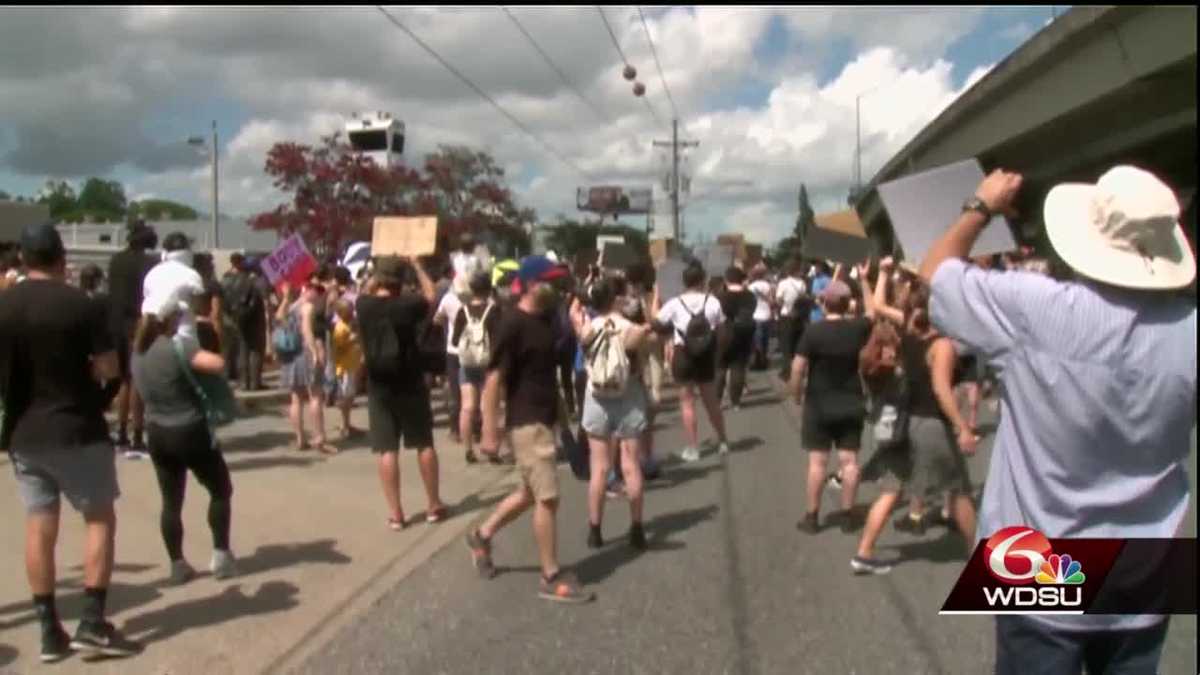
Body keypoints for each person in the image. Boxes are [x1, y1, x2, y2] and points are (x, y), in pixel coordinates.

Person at [921, 166, 1196, 675]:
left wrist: (980, 206)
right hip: (1146, 564)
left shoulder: (1035, 308)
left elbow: (935, 273)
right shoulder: (1190, 329)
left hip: (1039, 560)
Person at [0, 223, 143, 662]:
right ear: (62, 259)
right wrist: (96, 396)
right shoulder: (82, 305)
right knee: (98, 519)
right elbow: (109, 369)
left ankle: (47, 629)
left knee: (39, 525)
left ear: (23, 260)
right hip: (77, 427)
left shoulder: (5, 307)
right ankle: (92, 621)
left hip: (25, 431)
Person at [467, 255, 594, 604]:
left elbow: (547, 374)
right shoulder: (512, 324)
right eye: (549, 281)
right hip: (526, 422)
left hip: (544, 417)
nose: (555, 288)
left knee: (529, 493)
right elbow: (493, 380)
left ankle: (482, 534)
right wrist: (489, 431)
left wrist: (563, 421)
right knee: (548, 498)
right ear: (531, 284)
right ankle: (550, 575)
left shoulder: (544, 321)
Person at [850, 283, 977, 575]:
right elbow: (941, 388)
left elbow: (878, 305)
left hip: (902, 424)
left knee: (892, 490)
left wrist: (879, 275)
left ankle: (864, 552)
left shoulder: (907, 329)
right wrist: (962, 427)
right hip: (930, 424)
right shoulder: (941, 345)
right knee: (957, 490)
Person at [131, 281, 237, 585]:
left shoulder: (137, 351)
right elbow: (216, 364)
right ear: (168, 319)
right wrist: (220, 340)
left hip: (157, 431)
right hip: (189, 428)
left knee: (171, 500)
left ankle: (177, 564)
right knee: (220, 489)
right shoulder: (178, 346)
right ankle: (221, 555)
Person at [357, 256, 446, 530]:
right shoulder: (408, 304)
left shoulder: (365, 305)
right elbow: (432, 295)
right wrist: (417, 266)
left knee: (387, 449)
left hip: (379, 384)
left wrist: (374, 275)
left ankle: (396, 513)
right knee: (424, 444)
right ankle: (433, 504)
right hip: (410, 381)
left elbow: (363, 290)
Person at [570, 276, 653, 550]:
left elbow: (575, 313)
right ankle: (637, 527)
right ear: (615, 299)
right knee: (631, 465)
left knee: (599, 468)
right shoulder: (630, 329)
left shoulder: (586, 328)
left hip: (597, 399)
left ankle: (595, 530)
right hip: (628, 396)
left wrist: (581, 296)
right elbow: (642, 357)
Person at [790, 275, 873, 534]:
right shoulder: (857, 328)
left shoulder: (813, 332)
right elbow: (873, 310)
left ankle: (812, 516)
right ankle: (848, 514)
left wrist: (795, 394)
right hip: (850, 401)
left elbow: (798, 368)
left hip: (818, 403)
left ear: (824, 303)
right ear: (848, 304)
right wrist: (867, 281)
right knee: (849, 461)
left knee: (818, 462)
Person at [655, 262, 731, 462]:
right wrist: (718, 353)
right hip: (706, 355)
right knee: (711, 401)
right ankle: (722, 441)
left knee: (687, 403)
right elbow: (722, 331)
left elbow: (657, 322)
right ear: (703, 280)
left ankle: (693, 448)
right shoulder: (712, 301)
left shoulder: (674, 303)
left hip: (683, 354)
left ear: (684, 282)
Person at [107, 220, 158, 459]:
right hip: (137, 324)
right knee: (137, 380)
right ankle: (138, 436)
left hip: (115, 324)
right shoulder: (149, 263)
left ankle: (122, 434)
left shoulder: (115, 261)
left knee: (123, 382)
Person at [277, 280, 335, 454]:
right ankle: (319, 438)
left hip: (291, 355)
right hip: (305, 353)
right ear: (307, 289)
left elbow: (279, 317)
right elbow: (307, 331)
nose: (319, 293)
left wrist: (286, 297)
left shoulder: (293, 305)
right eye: (317, 290)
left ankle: (300, 438)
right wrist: (315, 352)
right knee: (315, 396)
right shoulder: (307, 307)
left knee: (296, 398)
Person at [450, 272, 500, 465]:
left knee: (467, 407)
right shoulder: (494, 311)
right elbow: (498, 340)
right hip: (488, 364)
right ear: (488, 290)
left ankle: (468, 449)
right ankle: (491, 450)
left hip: (467, 363)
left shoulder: (463, 311)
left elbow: (455, 340)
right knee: (487, 408)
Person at [716, 266, 757, 410]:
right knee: (738, 366)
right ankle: (735, 402)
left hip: (723, 332)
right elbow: (752, 312)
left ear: (726, 280)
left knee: (720, 366)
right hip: (744, 332)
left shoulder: (720, 296)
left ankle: (717, 401)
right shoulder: (750, 296)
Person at [227, 256, 269, 392]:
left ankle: (244, 382)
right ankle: (255, 382)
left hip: (239, 318)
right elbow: (265, 298)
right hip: (256, 319)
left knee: (242, 350)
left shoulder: (231, 280)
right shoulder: (257, 282)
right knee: (256, 351)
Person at [433, 276, 465, 445]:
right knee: (476, 389)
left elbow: (437, 319)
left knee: (455, 391)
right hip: (477, 351)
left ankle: (455, 429)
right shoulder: (484, 299)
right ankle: (476, 427)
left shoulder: (448, 298)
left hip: (453, 349)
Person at [330, 299, 363, 440]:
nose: (352, 313)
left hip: (352, 365)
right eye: (349, 311)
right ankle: (345, 425)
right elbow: (337, 349)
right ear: (341, 313)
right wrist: (352, 339)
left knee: (350, 397)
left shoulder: (350, 325)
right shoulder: (340, 328)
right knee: (346, 397)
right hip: (344, 368)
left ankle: (347, 424)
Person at [774, 258, 809, 382]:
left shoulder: (783, 283)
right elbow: (804, 299)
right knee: (796, 346)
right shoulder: (803, 283)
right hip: (799, 317)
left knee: (785, 346)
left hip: (786, 316)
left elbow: (778, 300)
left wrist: (783, 304)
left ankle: (786, 372)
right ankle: (796, 371)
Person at [747, 264, 774, 371]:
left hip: (755, 315)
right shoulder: (768, 285)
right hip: (766, 315)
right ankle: (764, 362)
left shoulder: (751, 287)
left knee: (756, 341)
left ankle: (756, 362)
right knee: (765, 340)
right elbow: (772, 301)